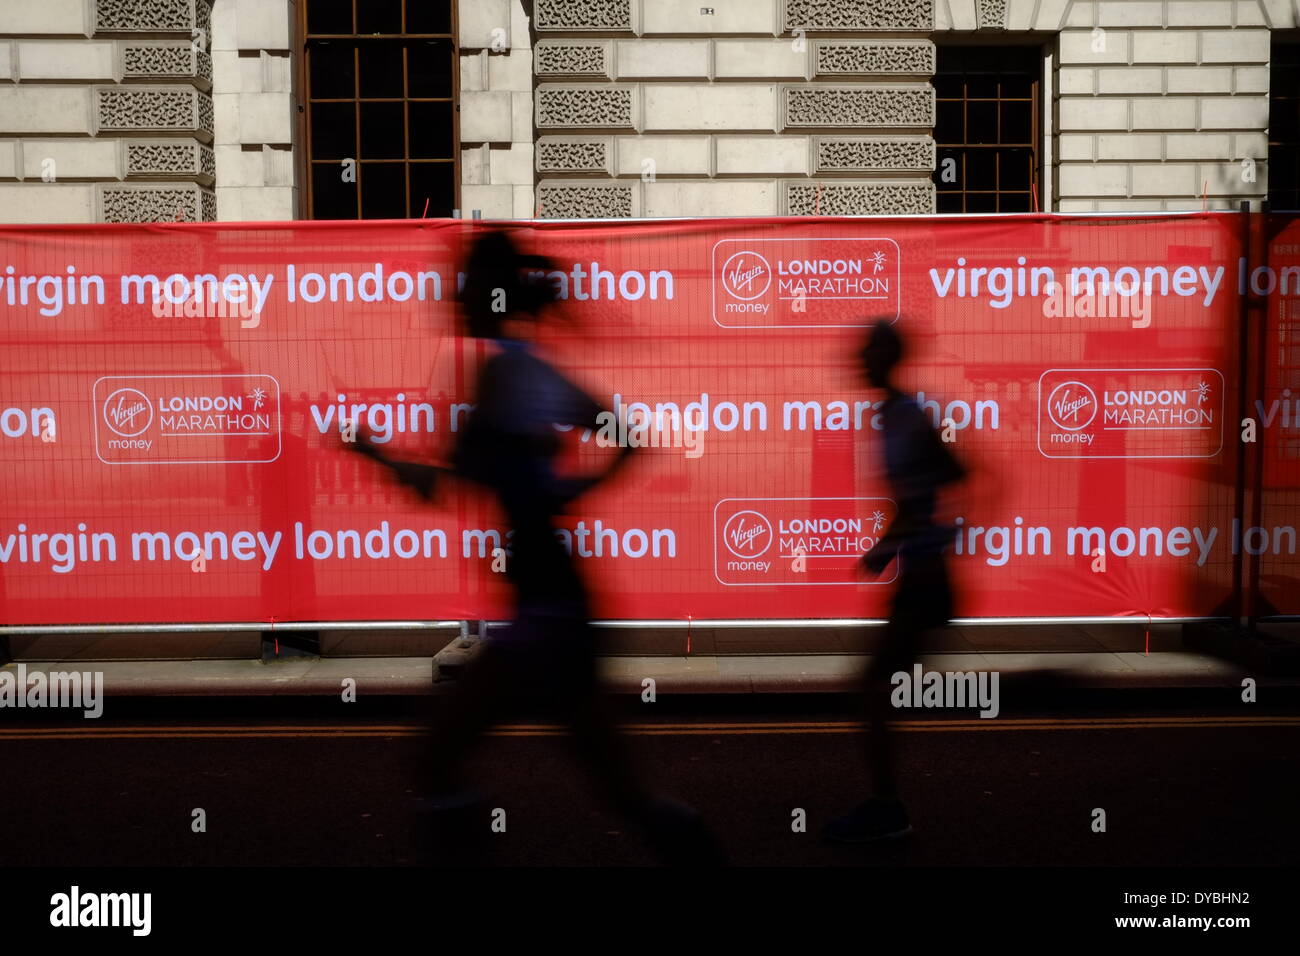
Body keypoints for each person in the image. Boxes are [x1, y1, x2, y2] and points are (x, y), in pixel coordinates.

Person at [349, 228, 723, 866]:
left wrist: (375, 454)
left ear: (485, 292)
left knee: (437, 758)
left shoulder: (503, 373)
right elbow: (625, 439)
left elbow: (448, 484)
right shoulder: (526, 368)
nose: (453, 297)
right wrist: (563, 493)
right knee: (622, 791)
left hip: (546, 618)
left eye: (462, 283)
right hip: (563, 608)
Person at [825, 319, 966, 844]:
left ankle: (887, 810)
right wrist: (905, 540)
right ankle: (885, 805)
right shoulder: (892, 414)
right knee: (886, 688)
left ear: (888, 358)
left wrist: (896, 545)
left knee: (872, 689)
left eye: (869, 350)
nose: (859, 358)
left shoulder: (905, 416)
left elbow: (938, 487)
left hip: (925, 578)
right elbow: (947, 479)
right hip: (921, 574)